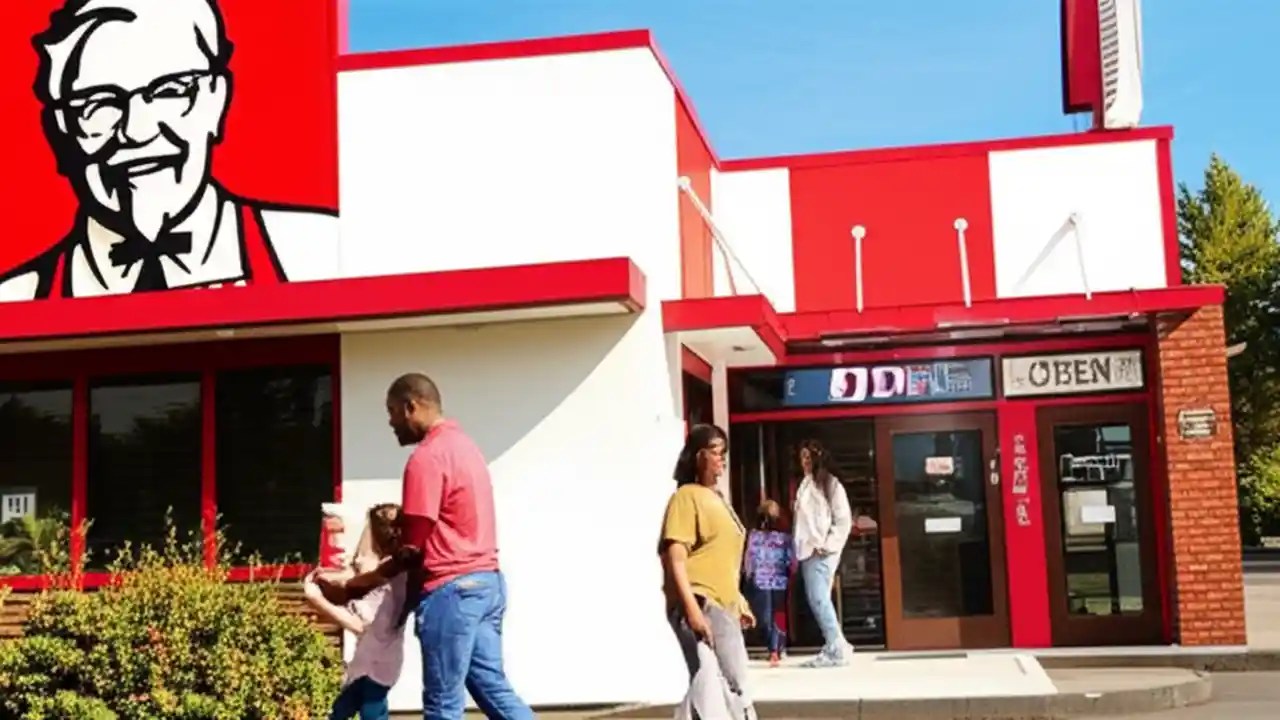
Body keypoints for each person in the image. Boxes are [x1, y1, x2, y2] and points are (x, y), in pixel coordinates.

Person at [0, 0, 338, 302]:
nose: (137, 130)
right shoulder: (15, 298)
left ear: (217, 100)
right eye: (98, 104)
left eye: (169, 91)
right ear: (61, 128)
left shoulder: (319, 254)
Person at [324, 373, 532, 720]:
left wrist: (357, 585)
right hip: (487, 584)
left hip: (451, 593)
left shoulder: (427, 457)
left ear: (412, 406)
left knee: (442, 704)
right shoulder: (466, 447)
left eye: (392, 412)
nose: (390, 422)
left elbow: (413, 549)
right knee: (493, 690)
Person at [660, 423, 758, 720]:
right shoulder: (686, 497)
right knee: (713, 686)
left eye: (724, 453)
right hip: (701, 602)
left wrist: (739, 602)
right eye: (716, 452)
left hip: (723, 607)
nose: (722, 460)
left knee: (730, 686)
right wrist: (692, 611)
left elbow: (725, 558)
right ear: (699, 456)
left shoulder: (717, 500)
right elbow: (675, 557)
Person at [304, 503, 408, 720]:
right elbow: (360, 576)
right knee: (341, 712)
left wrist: (317, 600)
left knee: (370, 713)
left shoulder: (386, 577)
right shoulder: (392, 569)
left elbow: (360, 625)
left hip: (376, 665)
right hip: (370, 661)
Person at [792, 439, 854, 668]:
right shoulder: (806, 484)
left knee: (819, 598)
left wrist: (827, 544)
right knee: (818, 599)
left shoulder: (830, 484)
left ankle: (837, 646)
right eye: (802, 457)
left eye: (808, 457)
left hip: (821, 551)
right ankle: (833, 644)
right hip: (808, 551)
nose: (805, 462)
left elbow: (843, 520)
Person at [743, 499, 794, 668]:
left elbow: (790, 556)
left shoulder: (784, 537)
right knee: (764, 617)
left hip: (779, 579)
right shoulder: (754, 534)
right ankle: (775, 646)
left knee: (776, 616)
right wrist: (747, 573)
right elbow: (749, 556)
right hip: (761, 579)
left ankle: (775, 649)